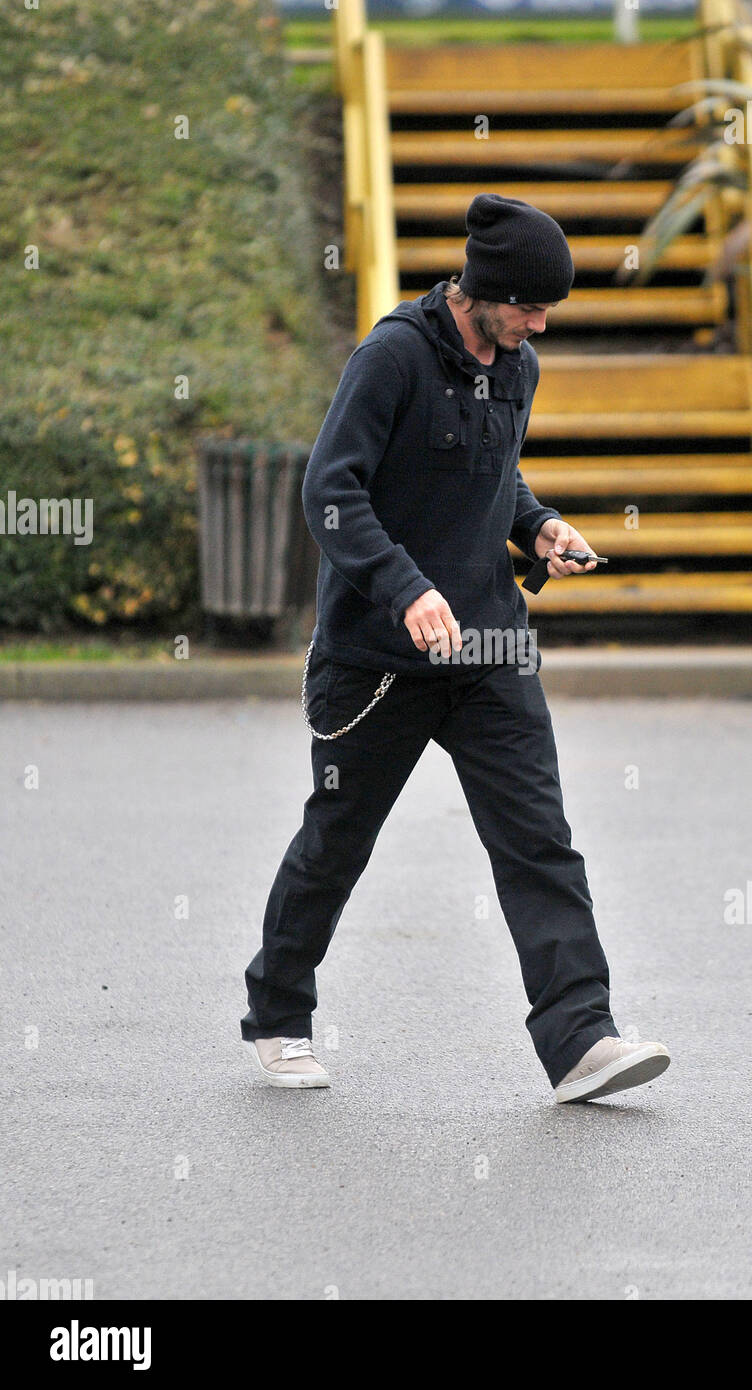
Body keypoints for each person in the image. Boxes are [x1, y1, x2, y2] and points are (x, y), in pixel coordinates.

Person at [240, 192, 671, 1103]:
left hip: (491, 653)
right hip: (379, 665)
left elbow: (495, 471)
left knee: (539, 842)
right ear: (480, 290)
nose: (538, 322)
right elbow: (332, 490)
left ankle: (582, 1038)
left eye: (547, 309)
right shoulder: (391, 357)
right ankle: (278, 1016)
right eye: (527, 305)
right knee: (336, 842)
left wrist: (541, 527)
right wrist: (407, 589)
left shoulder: (518, 363)